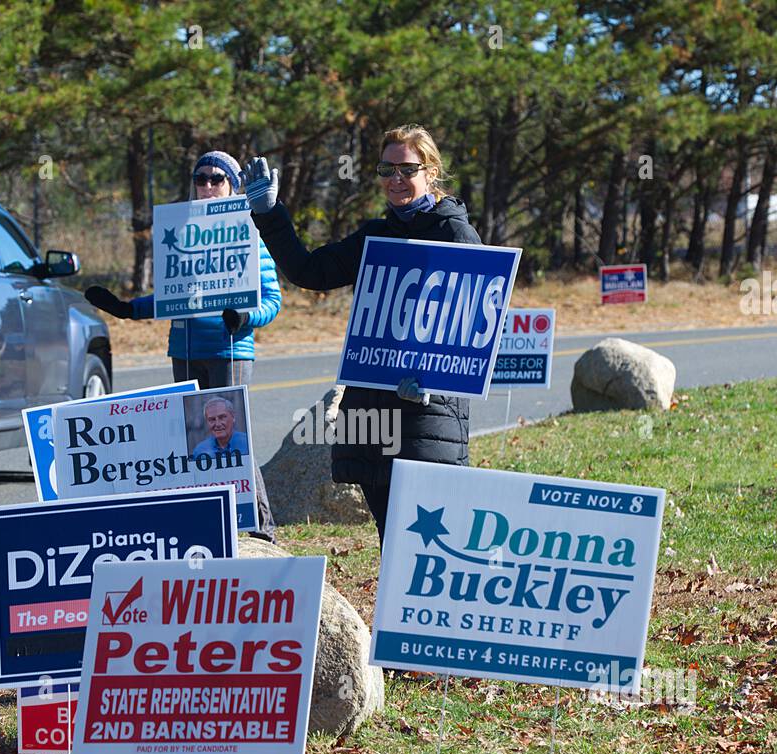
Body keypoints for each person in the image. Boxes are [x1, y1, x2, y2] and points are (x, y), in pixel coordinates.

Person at [241, 125, 481, 543]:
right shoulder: (377, 235)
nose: (395, 179)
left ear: (431, 171)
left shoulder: (455, 233)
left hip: (427, 417)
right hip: (374, 415)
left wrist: (433, 384)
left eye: (407, 169)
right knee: (391, 541)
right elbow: (309, 271)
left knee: (426, 546)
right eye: (386, 170)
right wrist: (268, 212)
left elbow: (475, 325)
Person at [83, 149, 280, 541]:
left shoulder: (250, 234)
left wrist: (244, 318)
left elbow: (273, 300)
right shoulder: (184, 236)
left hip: (230, 350)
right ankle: (209, 523)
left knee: (233, 436)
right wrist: (127, 309)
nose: (207, 186)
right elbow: (170, 295)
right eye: (201, 178)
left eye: (217, 179)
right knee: (195, 439)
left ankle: (261, 526)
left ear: (233, 185)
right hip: (185, 350)